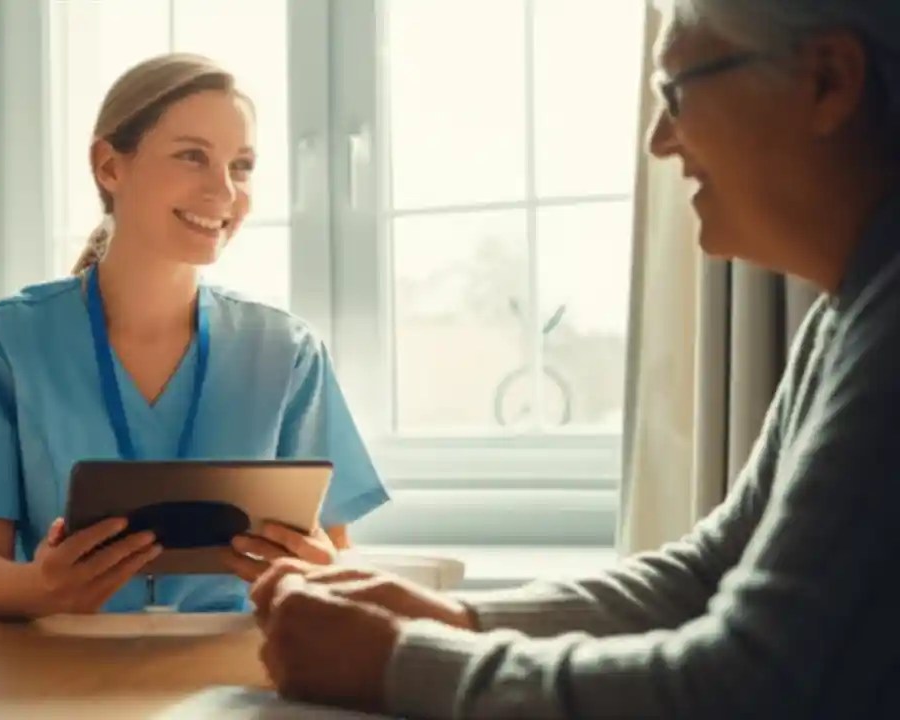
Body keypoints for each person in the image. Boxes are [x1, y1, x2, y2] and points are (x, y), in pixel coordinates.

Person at [251, 1, 900, 717]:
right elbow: (706, 574)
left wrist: (399, 662)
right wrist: (455, 620)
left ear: (828, 81)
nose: (659, 140)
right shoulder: (844, 317)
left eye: (676, 93)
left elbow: (745, 685)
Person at [0, 53, 389, 619]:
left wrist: (316, 571)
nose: (225, 191)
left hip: (237, 672)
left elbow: (335, 557)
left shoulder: (286, 353)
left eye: (241, 165)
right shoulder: (0, 345)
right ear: (109, 166)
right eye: (193, 156)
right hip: (63, 673)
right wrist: (43, 586)